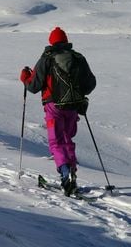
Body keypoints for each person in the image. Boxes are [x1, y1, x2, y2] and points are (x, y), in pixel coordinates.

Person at [20, 27, 96, 196]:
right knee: (68, 140)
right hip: (73, 107)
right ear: (66, 40)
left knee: (56, 142)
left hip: (53, 106)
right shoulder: (78, 58)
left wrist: (25, 77)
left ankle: (65, 173)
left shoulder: (47, 58)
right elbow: (90, 83)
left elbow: (33, 86)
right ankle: (72, 173)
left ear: (51, 41)